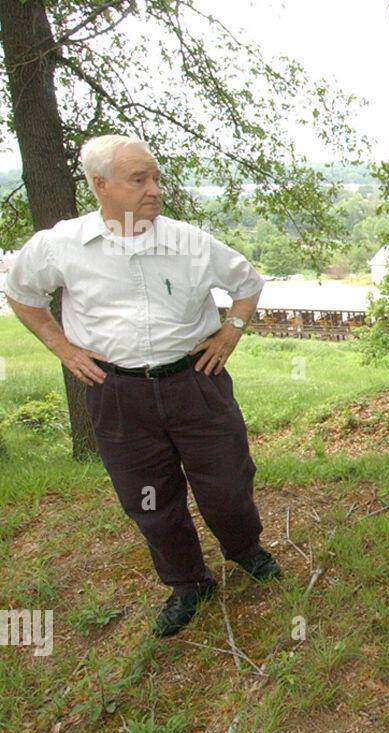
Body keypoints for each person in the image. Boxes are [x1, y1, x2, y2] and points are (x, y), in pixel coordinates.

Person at [2, 134, 283, 638]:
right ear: (100, 186)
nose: (155, 189)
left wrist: (231, 331)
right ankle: (187, 584)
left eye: (156, 177)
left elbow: (247, 283)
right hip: (118, 394)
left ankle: (245, 550)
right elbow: (21, 293)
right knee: (149, 497)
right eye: (140, 180)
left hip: (197, 383)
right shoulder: (59, 245)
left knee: (227, 484)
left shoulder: (190, 243)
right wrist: (62, 348)